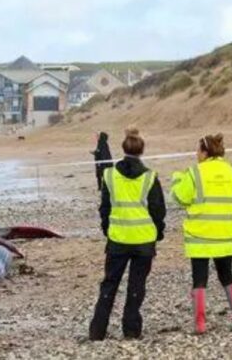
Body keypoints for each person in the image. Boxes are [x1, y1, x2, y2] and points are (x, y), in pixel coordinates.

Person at [89, 127, 166, 341]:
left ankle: (97, 330)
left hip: (118, 239)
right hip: (143, 240)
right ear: (142, 151)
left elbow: (104, 208)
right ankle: (131, 330)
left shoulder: (110, 175)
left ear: (123, 148)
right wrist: (158, 232)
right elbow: (158, 209)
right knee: (136, 286)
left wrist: (107, 229)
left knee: (109, 284)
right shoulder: (150, 177)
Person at [171, 133, 232, 334]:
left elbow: (179, 197)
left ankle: (199, 323)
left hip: (200, 235)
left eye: (198, 150)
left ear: (205, 152)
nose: (196, 154)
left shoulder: (194, 172)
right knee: (227, 275)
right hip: (225, 233)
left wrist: (177, 179)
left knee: (199, 278)